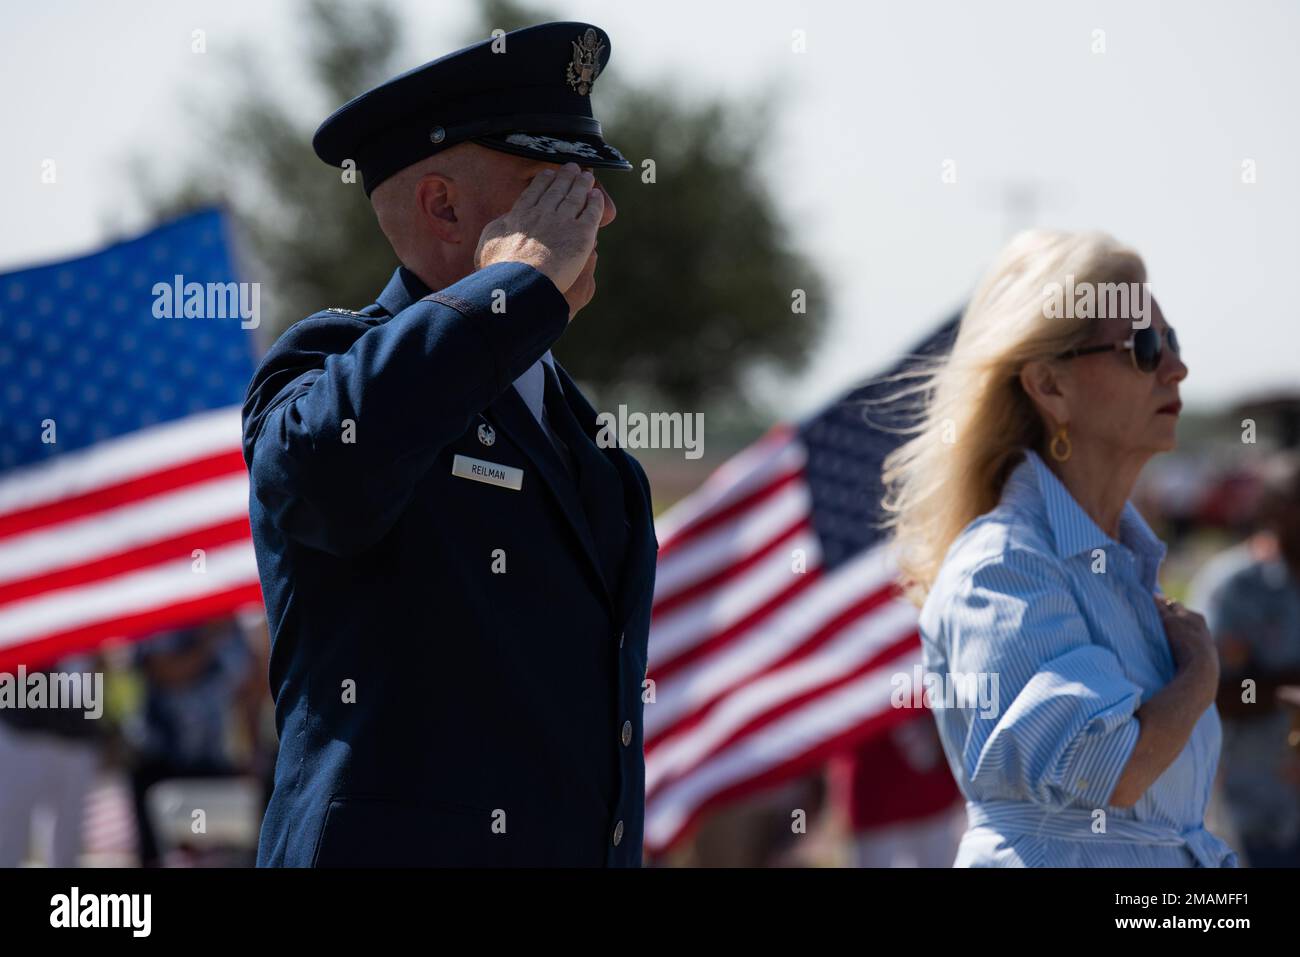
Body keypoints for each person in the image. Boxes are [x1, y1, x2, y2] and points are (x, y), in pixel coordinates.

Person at [242, 22, 657, 866]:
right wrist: (514, 288)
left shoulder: (578, 432)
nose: (601, 210)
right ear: (442, 205)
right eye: (557, 184)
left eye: (594, 184)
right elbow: (328, 470)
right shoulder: (327, 364)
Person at [882, 229, 1236, 866]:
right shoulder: (1003, 566)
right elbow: (1117, 766)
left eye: (1172, 342)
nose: (1175, 367)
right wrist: (1201, 675)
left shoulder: (1121, 570)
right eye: (1144, 347)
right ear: (1049, 386)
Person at [1189, 453, 1300, 866]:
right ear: (1271, 510)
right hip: (1253, 810)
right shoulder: (1234, 586)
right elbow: (1209, 695)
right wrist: (1281, 690)